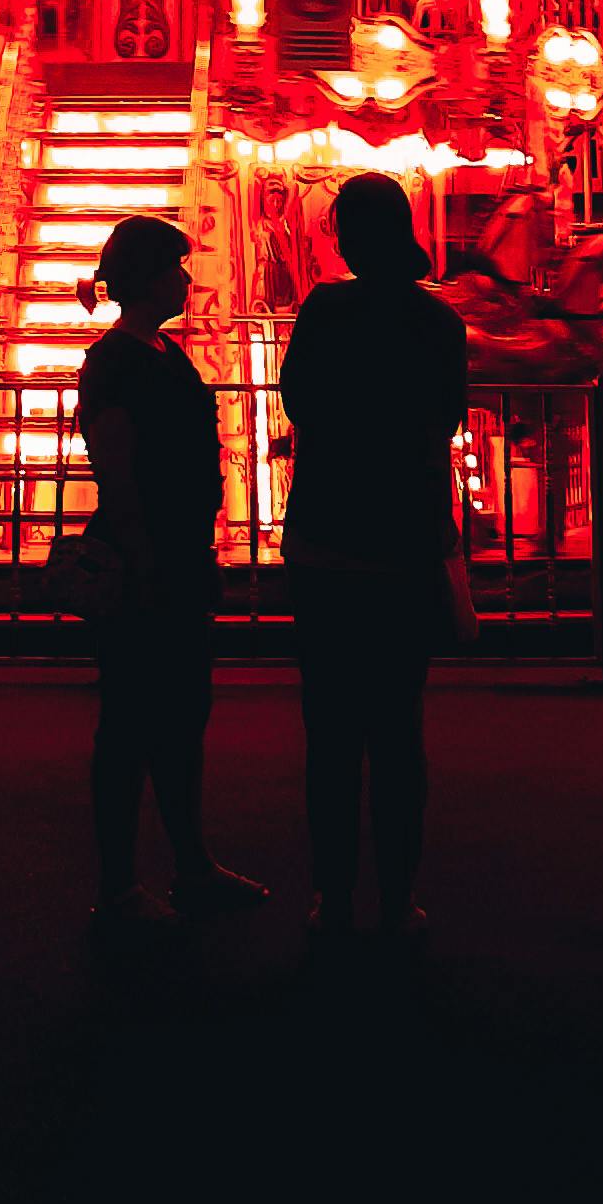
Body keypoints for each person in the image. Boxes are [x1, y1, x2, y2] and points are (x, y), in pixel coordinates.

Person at [278, 169, 469, 945]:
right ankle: (397, 897)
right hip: (404, 539)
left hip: (326, 535)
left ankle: (333, 895)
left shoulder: (324, 311)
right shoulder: (438, 323)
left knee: (329, 731)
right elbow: (447, 416)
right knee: (398, 728)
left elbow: (296, 400)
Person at [72, 214, 258, 938]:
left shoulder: (159, 350)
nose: (186, 280)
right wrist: (144, 556)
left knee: (181, 713)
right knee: (132, 719)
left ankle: (190, 861)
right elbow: (117, 466)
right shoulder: (117, 362)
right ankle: (119, 884)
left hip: (179, 551)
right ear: (149, 277)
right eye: (176, 268)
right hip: (148, 557)